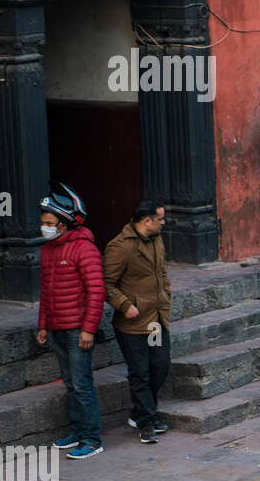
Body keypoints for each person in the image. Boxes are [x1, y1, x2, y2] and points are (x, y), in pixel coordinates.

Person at [37, 183, 106, 460]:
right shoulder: (47, 251)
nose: (45, 226)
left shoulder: (84, 250)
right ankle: (77, 432)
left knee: (81, 384)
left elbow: (96, 291)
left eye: (50, 222)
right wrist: (43, 324)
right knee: (69, 384)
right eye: (43, 222)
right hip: (56, 328)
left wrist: (89, 329)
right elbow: (45, 291)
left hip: (78, 331)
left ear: (65, 224)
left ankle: (92, 439)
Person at [103, 199, 171, 445]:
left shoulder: (157, 240)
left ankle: (140, 412)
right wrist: (124, 305)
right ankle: (146, 421)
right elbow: (106, 284)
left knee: (160, 365)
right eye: (160, 219)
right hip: (132, 325)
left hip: (155, 319)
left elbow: (161, 273)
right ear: (147, 221)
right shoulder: (120, 247)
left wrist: (166, 295)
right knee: (140, 371)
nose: (163, 223)